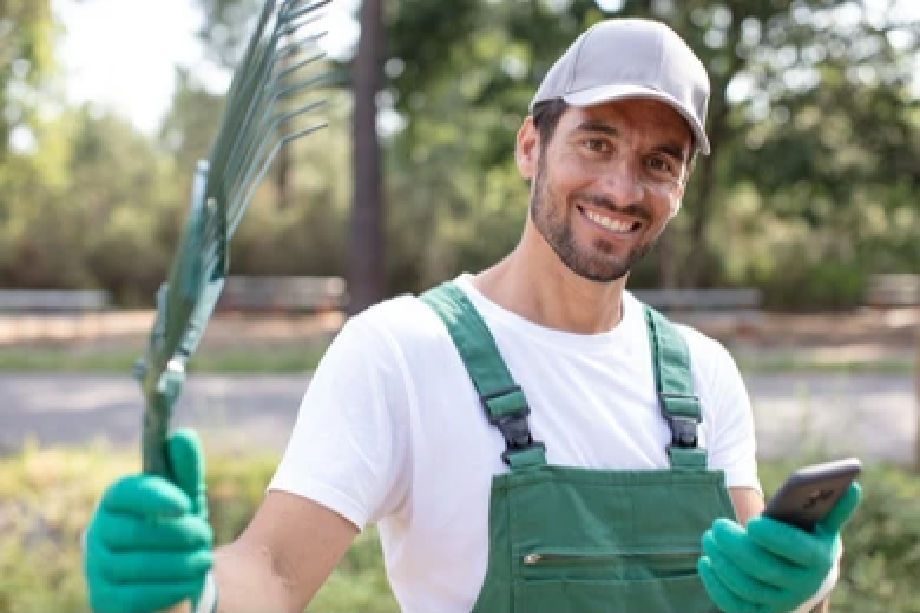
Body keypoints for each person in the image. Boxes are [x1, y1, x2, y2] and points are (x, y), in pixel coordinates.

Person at [83, 18, 861, 613]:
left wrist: (810, 580)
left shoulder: (704, 374)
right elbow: (275, 571)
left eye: (659, 163)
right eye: (595, 142)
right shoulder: (403, 351)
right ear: (530, 145)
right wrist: (186, 590)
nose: (624, 189)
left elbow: (766, 585)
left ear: (681, 185)